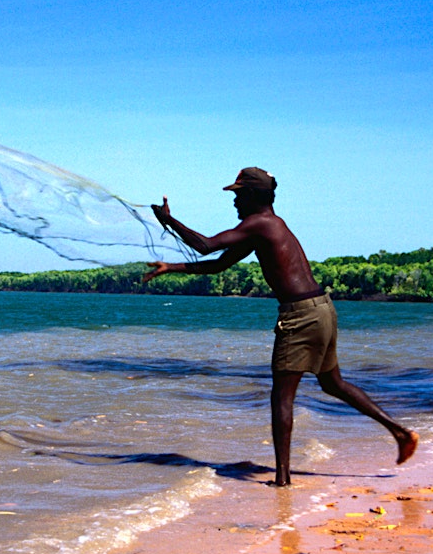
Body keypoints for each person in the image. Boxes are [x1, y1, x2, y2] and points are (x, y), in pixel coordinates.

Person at [143, 167, 418, 486]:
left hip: (300, 315)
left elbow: (205, 245)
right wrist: (171, 267)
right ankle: (400, 433)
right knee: (333, 384)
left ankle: (283, 479)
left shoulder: (258, 224)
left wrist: (169, 221)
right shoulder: (268, 226)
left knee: (282, 398)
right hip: (322, 309)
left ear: (252, 196)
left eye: (237, 195)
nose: (233, 202)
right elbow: (219, 264)